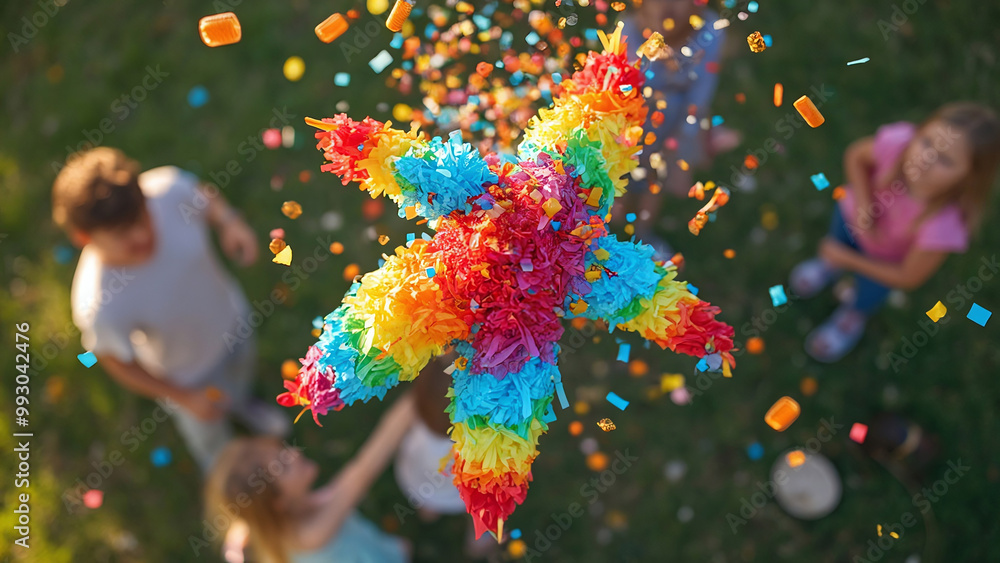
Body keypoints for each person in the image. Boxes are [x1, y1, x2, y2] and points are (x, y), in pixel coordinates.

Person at [53, 147, 289, 472]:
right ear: (83, 237)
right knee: (212, 440)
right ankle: (224, 469)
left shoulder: (168, 190)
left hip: (234, 321)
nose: (141, 235)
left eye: (142, 217)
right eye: (122, 234)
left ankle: (243, 405)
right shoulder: (99, 303)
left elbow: (203, 197)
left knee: (240, 377)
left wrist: (229, 223)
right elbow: (116, 361)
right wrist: (184, 398)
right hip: (189, 377)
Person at [790, 103, 1000, 362]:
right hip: (849, 218)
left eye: (945, 160)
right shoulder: (898, 143)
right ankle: (828, 267)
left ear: (970, 176)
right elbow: (856, 156)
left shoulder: (944, 225)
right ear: (919, 130)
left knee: (866, 294)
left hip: (883, 265)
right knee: (836, 243)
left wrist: (848, 260)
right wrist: (864, 204)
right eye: (926, 142)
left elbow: (907, 277)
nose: (925, 160)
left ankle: (852, 315)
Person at [205, 393, 417, 563]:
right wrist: (413, 403)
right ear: (278, 501)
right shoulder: (312, 534)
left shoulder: (266, 521)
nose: (294, 454)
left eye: (283, 451)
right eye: (284, 466)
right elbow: (363, 471)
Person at [619, 0, 740, 256]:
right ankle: (611, 221)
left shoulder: (709, 31)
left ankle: (643, 233)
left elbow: (699, 94)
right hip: (631, 116)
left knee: (659, 170)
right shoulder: (629, 28)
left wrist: (681, 140)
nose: (668, 8)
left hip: (676, 117)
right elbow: (624, 85)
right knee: (621, 169)